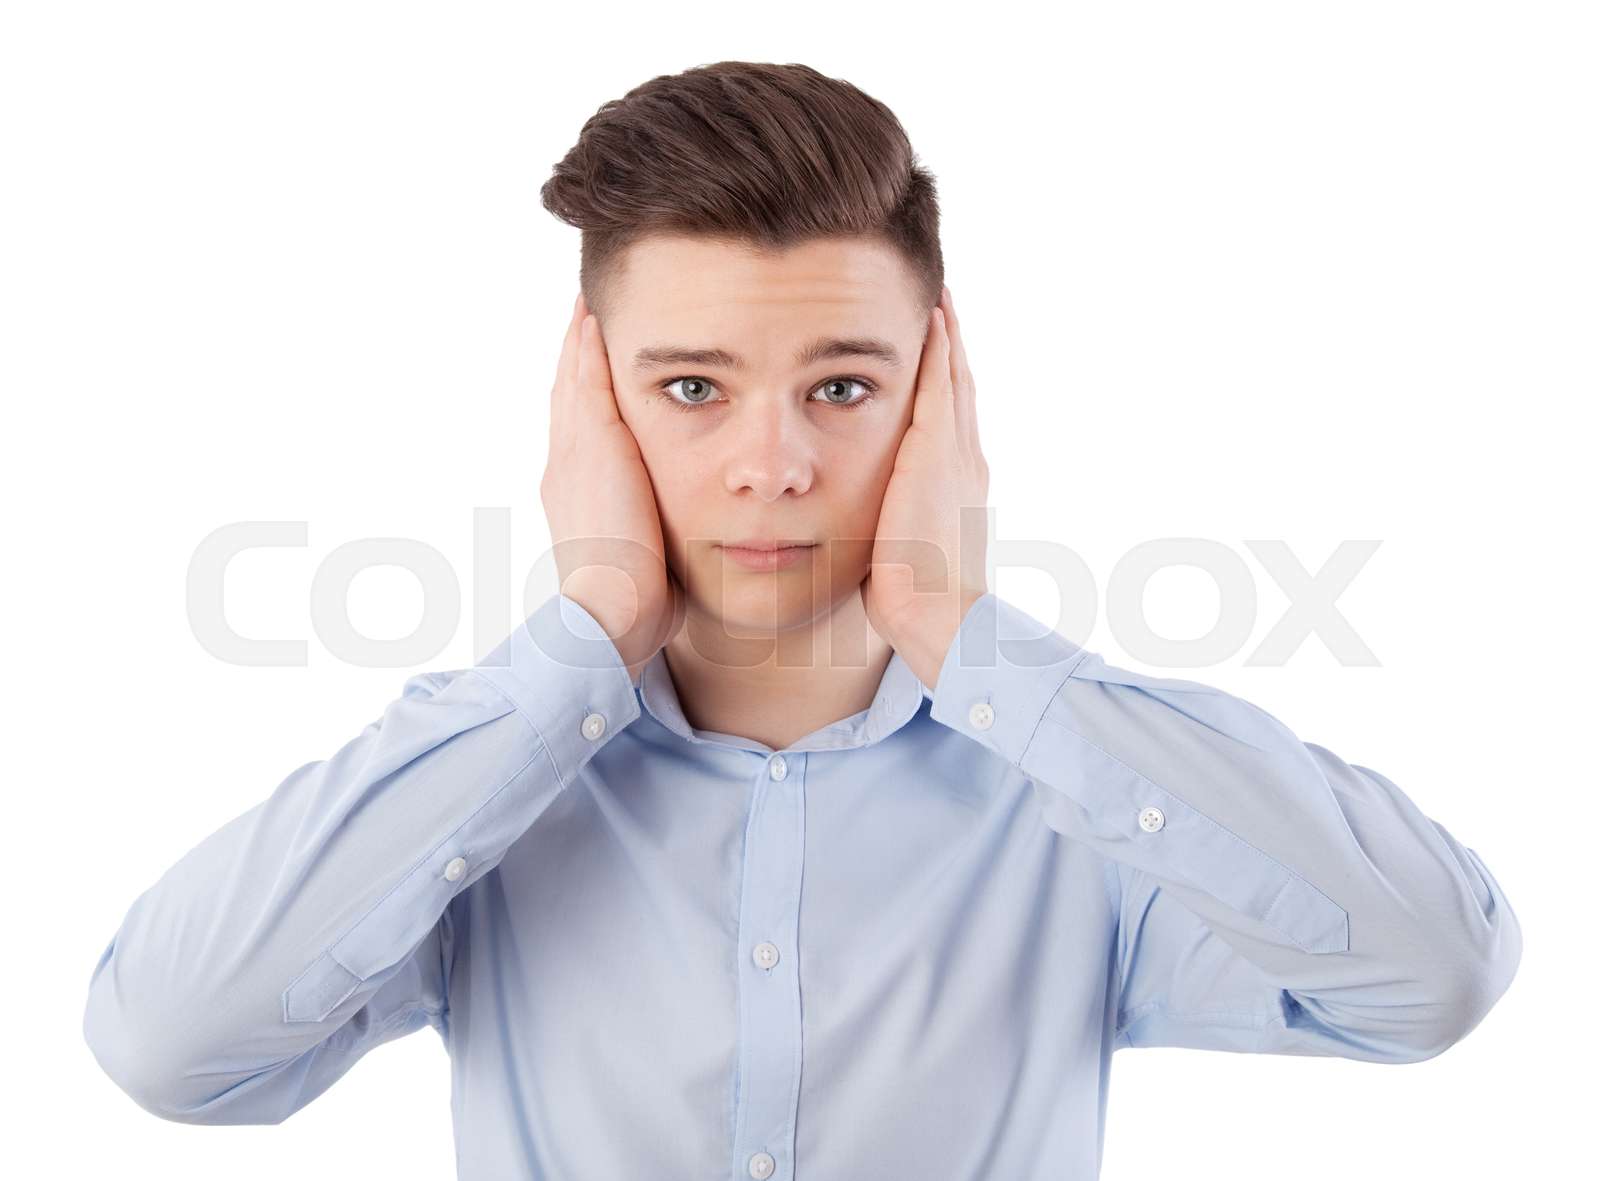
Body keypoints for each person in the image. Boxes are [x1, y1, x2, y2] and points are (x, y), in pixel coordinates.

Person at [81, 61, 1522, 1180]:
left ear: (934, 398)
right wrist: (589, 627)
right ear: (591, 402)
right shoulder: (483, 799)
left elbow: (1435, 977)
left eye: (840, 386)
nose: (769, 464)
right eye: (691, 387)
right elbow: (168, 1047)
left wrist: (962, 629)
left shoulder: (1088, 799)